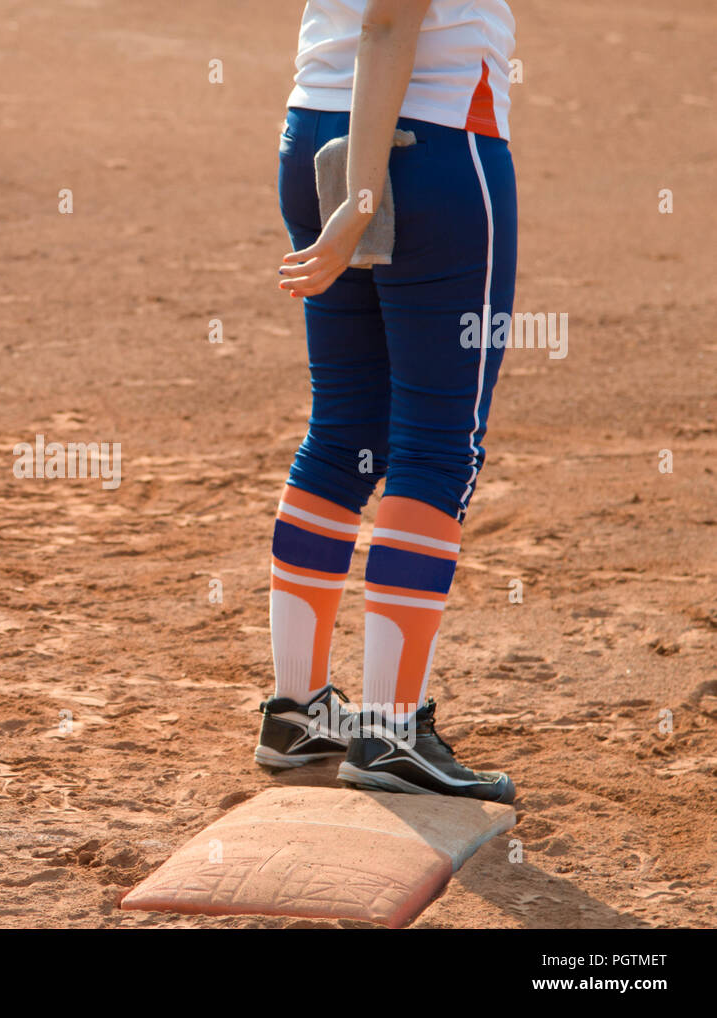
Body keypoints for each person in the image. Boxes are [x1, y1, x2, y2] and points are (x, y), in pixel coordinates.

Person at [254, 0, 518, 803]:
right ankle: (393, 733)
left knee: (344, 431)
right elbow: (388, 20)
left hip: (314, 129)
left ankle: (297, 714)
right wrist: (362, 200)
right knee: (437, 448)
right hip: (429, 147)